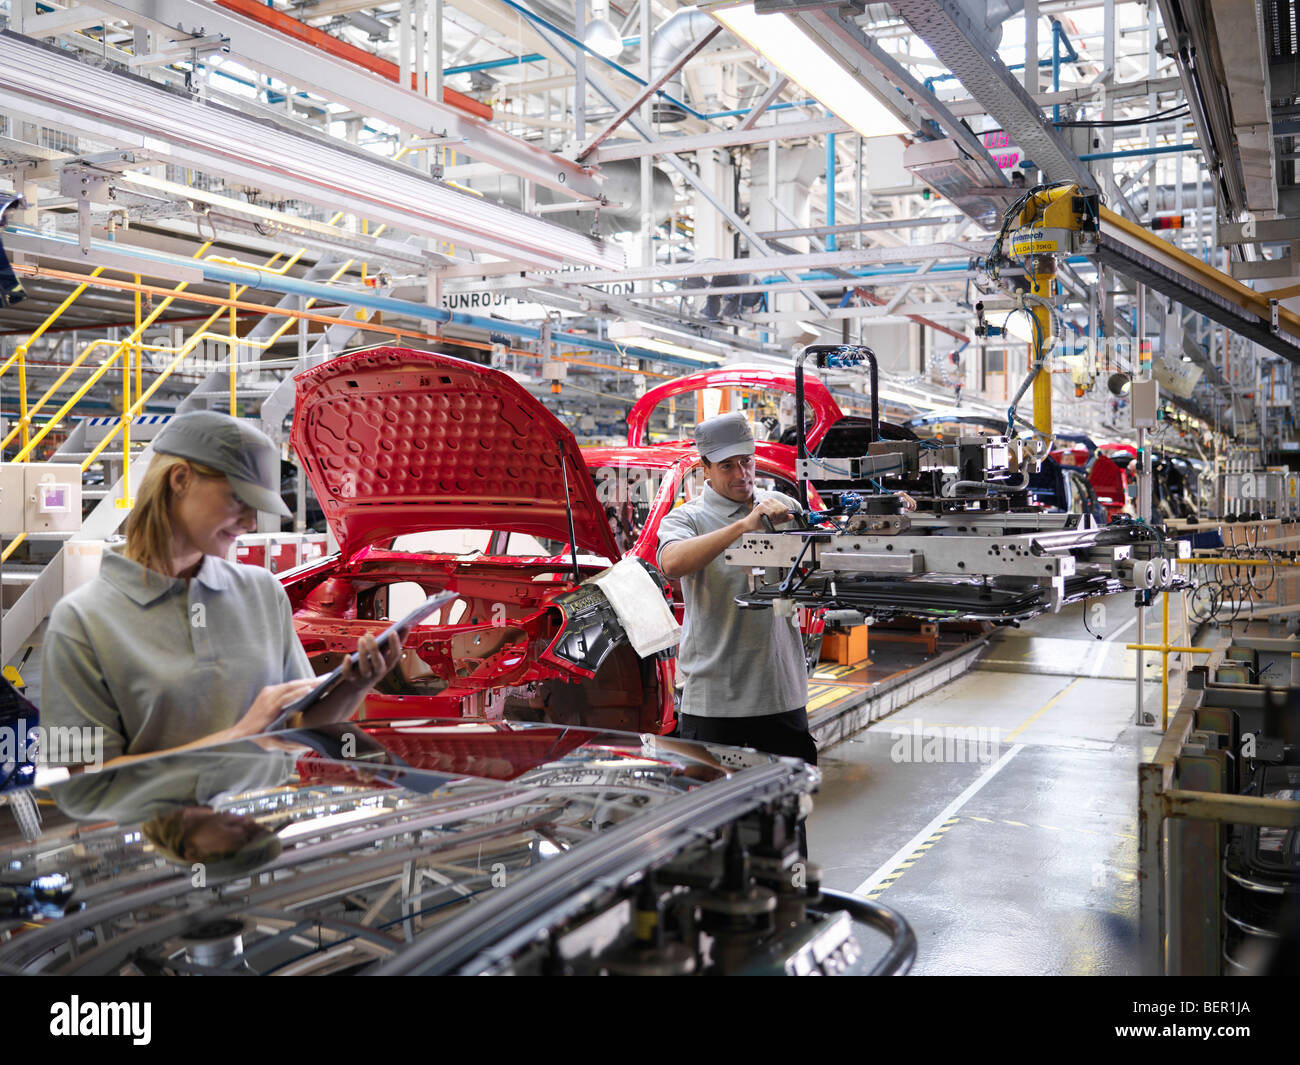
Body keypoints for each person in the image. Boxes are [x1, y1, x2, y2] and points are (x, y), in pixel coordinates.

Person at [40, 410, 399, 771]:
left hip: (263, 821)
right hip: (156, 827)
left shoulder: (262, 593)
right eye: (238, 499)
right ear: (180, 479)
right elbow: (86, 779)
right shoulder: (79, 621)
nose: (251, 522)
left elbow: (298, 726)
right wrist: (240, 737)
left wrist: (354, 685)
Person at [656, 412, 816, 765]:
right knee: (717, 815)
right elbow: (672, 563)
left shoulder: (782, 508)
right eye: (727, 466)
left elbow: (826, 550)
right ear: (705, 469)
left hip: (782, 695)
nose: (742, 474)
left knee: (785, 814)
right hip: (715, 703)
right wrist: (745, 525)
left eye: (747, 462)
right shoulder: (687, 518)